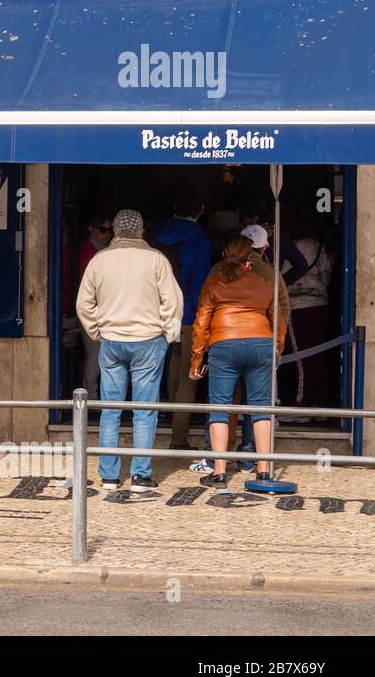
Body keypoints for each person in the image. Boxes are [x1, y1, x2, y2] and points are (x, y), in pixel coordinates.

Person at [76, 209, 183, 492]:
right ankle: (140, 475)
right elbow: (172, 302)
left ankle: (109, 476)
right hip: (148, 340)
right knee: (144, 411)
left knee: (110, 410)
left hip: (111, 340)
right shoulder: (156, 260)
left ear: (115, 231)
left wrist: (96, 331)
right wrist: (168, 334)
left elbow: (83, 303)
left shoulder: (100, 260)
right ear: (141, 231)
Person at [189, 234, 290, 489]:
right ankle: (264, 469)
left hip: (224, 344)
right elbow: (278, 319)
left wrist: (197, 359)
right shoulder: (264, 282)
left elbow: (201, 322)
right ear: (251, 255)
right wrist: (277, 350)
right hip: (261, 344)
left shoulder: (214, 282)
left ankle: (219, 471)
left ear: (225, 255)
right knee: (261, 409)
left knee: (220, 408)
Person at [152, 188, 212, 450]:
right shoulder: (199, 240)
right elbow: (200, 284)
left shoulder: (156, 235)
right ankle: (178, 438)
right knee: (188, 375)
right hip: (188, 314)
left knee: (168, 372)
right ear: (200, 210)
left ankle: (163, 419)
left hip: (159, 313)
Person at [282, 230, 333, 416]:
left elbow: (282, 277)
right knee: (318, 355)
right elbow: (327, 276)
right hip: (321, 304)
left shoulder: (293, 247)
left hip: (299, 306)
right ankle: (319, 402)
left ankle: (300, 406)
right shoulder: (323, 248)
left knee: (301, 357)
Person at [75, 212, 113, 400]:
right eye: (103, 229)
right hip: (92, 310)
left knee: (91, 355)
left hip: (97, 310)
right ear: (91, 229)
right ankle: (91, 397)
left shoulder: (98, 251)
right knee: (95, 356)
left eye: (110, 230)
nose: (107, 234)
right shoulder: (89, 252)